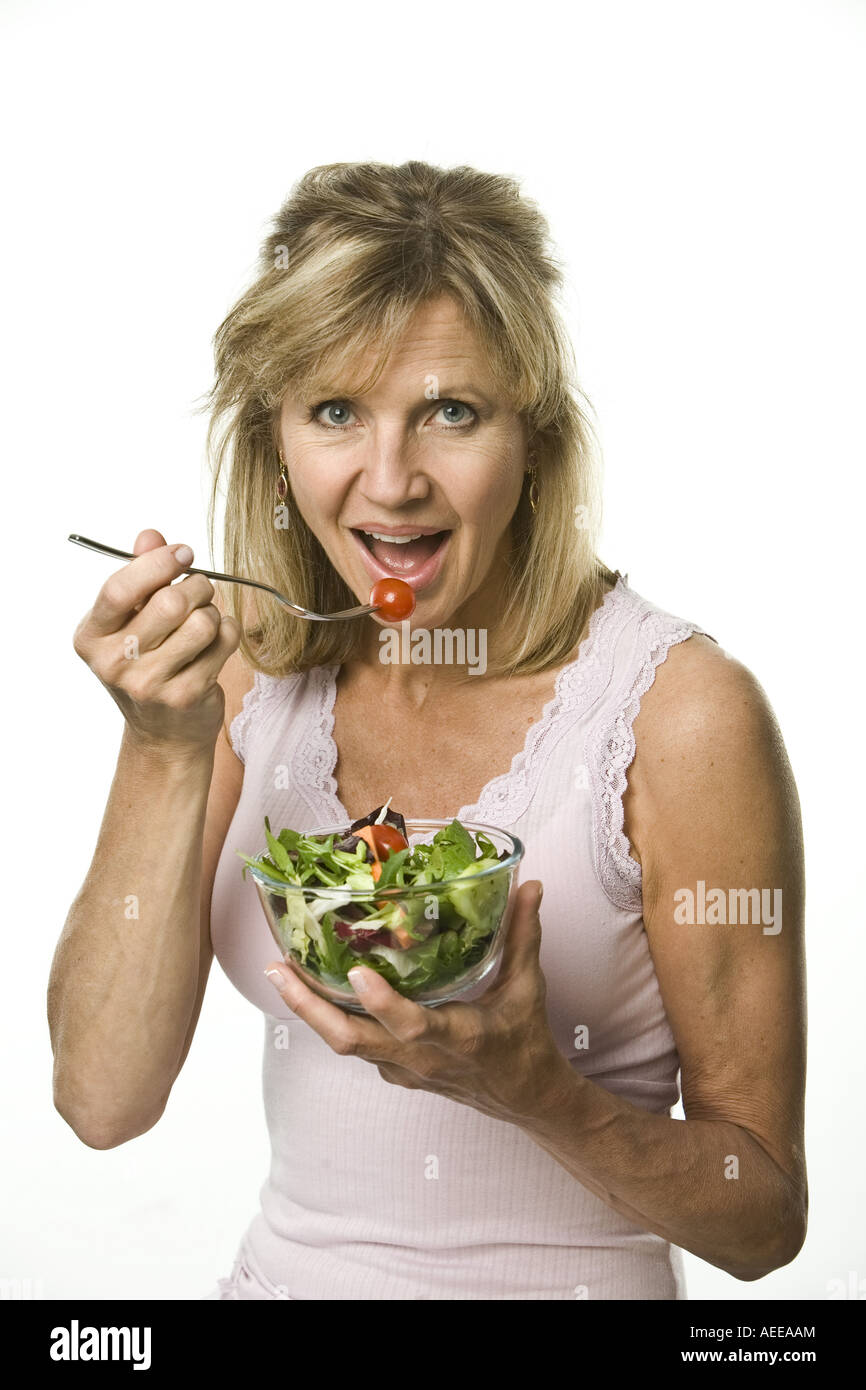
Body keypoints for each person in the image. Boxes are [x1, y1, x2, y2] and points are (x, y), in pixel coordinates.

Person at [51, 161, 807, 1301]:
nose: (391, 480)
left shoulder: (675, 711)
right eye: (335, 412)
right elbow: (101, 1100)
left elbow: (762, 1218)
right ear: (277, 438)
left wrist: (535, 1090)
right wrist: (161, 745)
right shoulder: (248, 674)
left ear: (534, 438)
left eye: (450, 411)